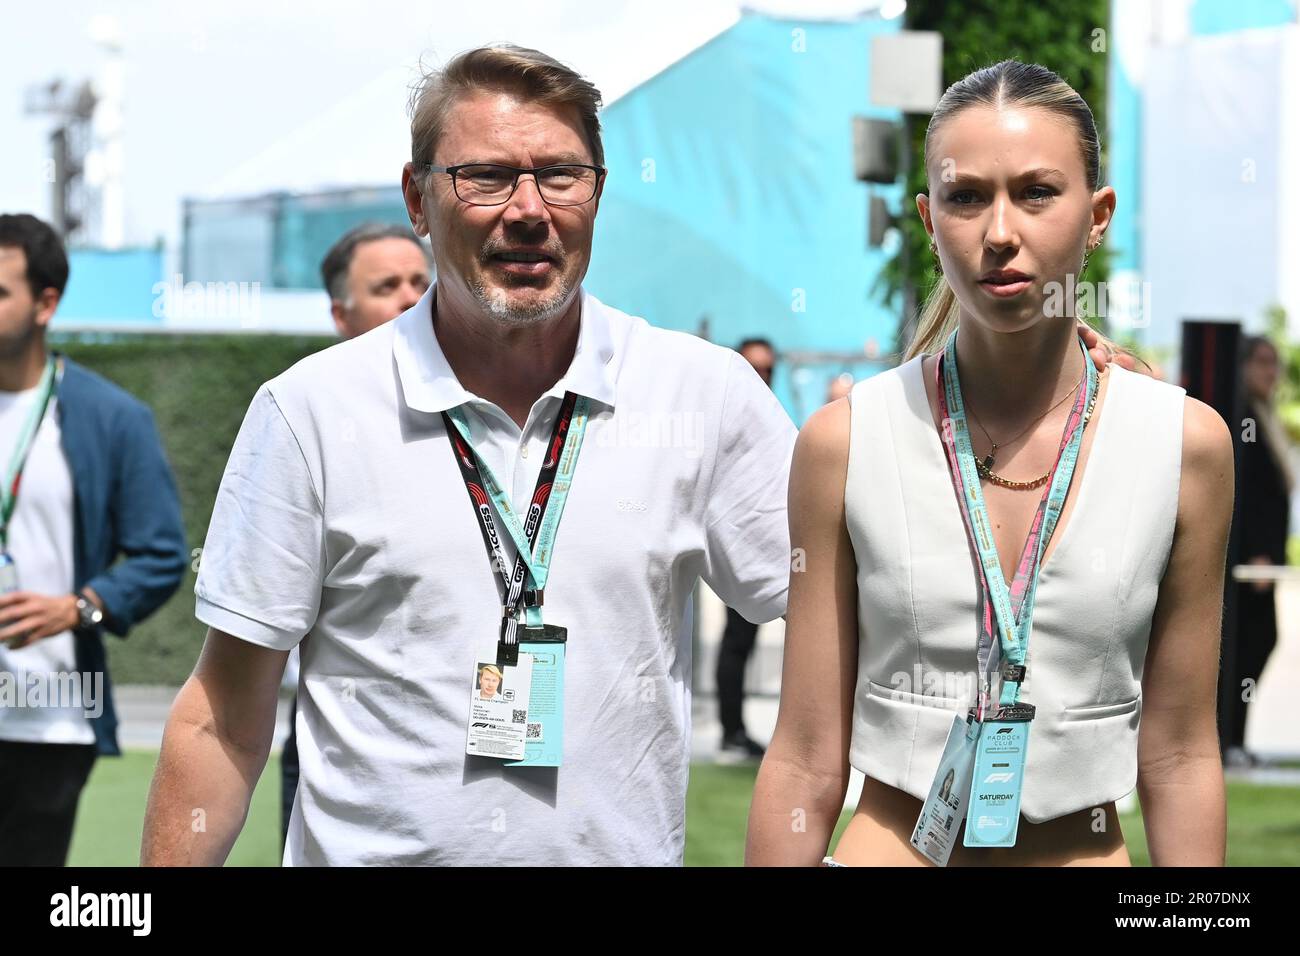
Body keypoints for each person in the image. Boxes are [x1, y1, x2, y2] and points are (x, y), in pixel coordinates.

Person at [141, 45, 798, 867]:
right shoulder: (312, 410)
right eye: (485, 176)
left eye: (561, 174)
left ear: (599, 191)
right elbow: (222, 720)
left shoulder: (703, 394)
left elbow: (832, 625)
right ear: (419, 199)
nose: (529, 209)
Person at [747, 60, 1234, 867]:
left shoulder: (1186, 445)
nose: (1000, 231)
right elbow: (803, 754)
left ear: (1098, 214)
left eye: (1037, 191)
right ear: (929, 220)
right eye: (966, 196)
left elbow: (1180, 757)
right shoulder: (845, 441)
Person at [0, 213, 187, 866]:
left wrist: (75, 608)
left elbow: (163, 553)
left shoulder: (112, 418)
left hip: (48, 716)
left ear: (46, 303)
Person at [277, 222, 432, 851]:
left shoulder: (489, 409)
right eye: (386, 286)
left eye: (421, 281)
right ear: (341, 314)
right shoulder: (300, 416)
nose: (409, 297)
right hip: (335, 739)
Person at [1221, 336, 1292, 767]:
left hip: (1261, 561)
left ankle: (1235, 737)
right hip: (1249, 564)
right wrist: (1257, 552)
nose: (1271, 372)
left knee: (1257, 641)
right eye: (1263, 362)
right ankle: (1228, 737)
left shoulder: (1263, 418)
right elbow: (1247, 497)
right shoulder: (1242, 419)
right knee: (1248, 643)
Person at [715, 337, 777, 761]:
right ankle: (731, 731)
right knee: (736, 640)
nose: (762, 376)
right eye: (754, 367)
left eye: (769, 369)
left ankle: (737, 730)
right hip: (734, 547)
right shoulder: (724, 417)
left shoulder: (776, 417)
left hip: (781, 552)